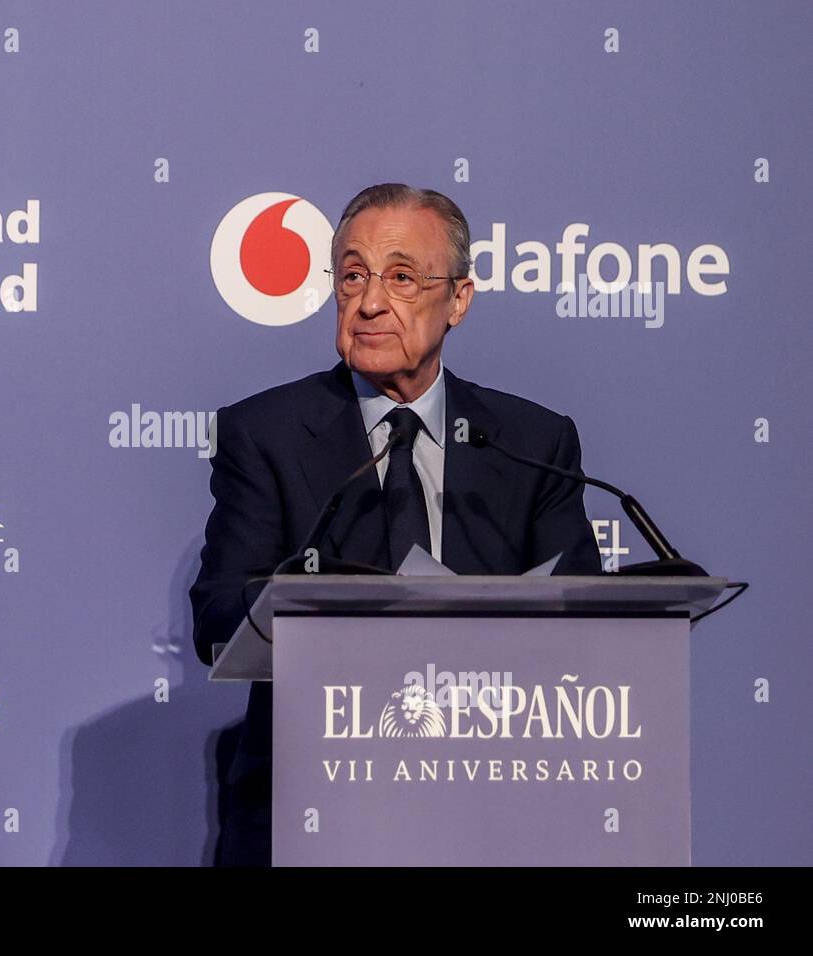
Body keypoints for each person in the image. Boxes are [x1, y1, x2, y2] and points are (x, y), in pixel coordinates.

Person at [189, 183, 601, 866]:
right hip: (313, 800)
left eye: (402, 278)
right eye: (352, 276)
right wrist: (312, 600)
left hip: (494, 801)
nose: (370, 302)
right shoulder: (264, 434)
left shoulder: (531, 440)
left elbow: (585, 623)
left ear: (459, 299)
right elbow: (216, 615)